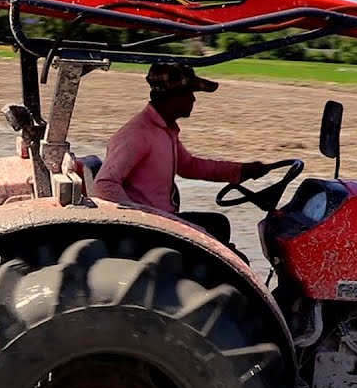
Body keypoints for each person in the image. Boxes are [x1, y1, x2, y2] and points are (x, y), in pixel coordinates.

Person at [92, 62, 271, 255]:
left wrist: (241, 170)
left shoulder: (164, 130)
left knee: (218, 224)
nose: (194, 99)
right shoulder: (137, 134)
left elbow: (189, 166)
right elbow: (105, 183)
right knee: (220, 242)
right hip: (151, 225)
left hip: (161, 218)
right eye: (190, 93)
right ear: (174, 96)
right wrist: (140, 222)